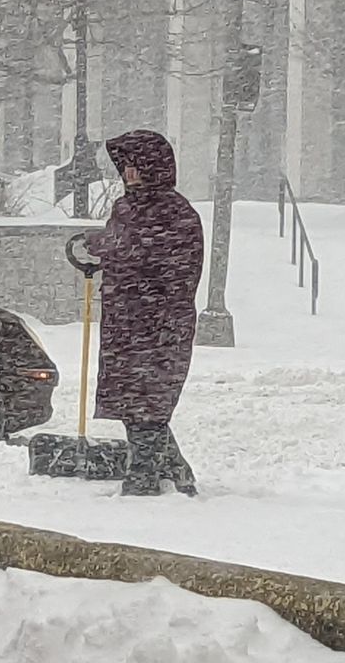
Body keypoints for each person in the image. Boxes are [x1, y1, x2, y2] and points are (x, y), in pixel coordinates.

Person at [85, 129, 203, 497]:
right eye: (126, 166)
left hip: (159, 324)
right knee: (132, 402)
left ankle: (144, 478)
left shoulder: (176, 212)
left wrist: (120, 254)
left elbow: (169, 265)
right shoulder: (125, 208)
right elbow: (123, 247)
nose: (130, 173)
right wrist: (100, 249)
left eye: (137, 166)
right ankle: (176, 472)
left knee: (148, 403)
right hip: (124, 322)